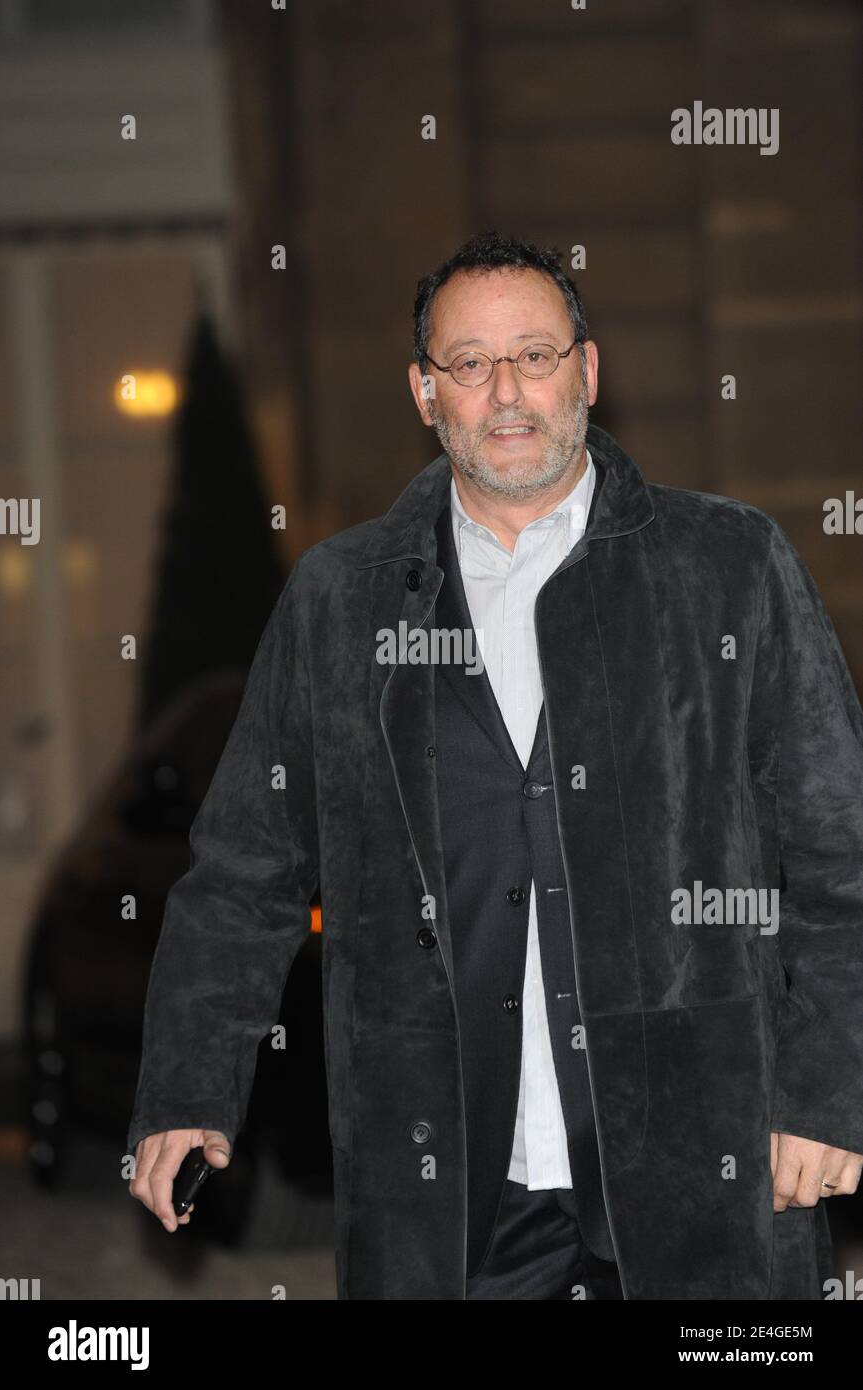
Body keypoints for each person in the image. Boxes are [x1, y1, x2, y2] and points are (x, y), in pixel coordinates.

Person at [128, 231, 863, 1300]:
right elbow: (245, 868)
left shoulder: (728, 566)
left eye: (535, 354)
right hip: (446, 1192)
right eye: (469, 363)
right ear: (425, 393)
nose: (507, 390)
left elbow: (842, 855)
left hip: (702, 1168)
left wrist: (829, 1088)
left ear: (587, 372)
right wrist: (188, 1084)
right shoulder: (340, 600)